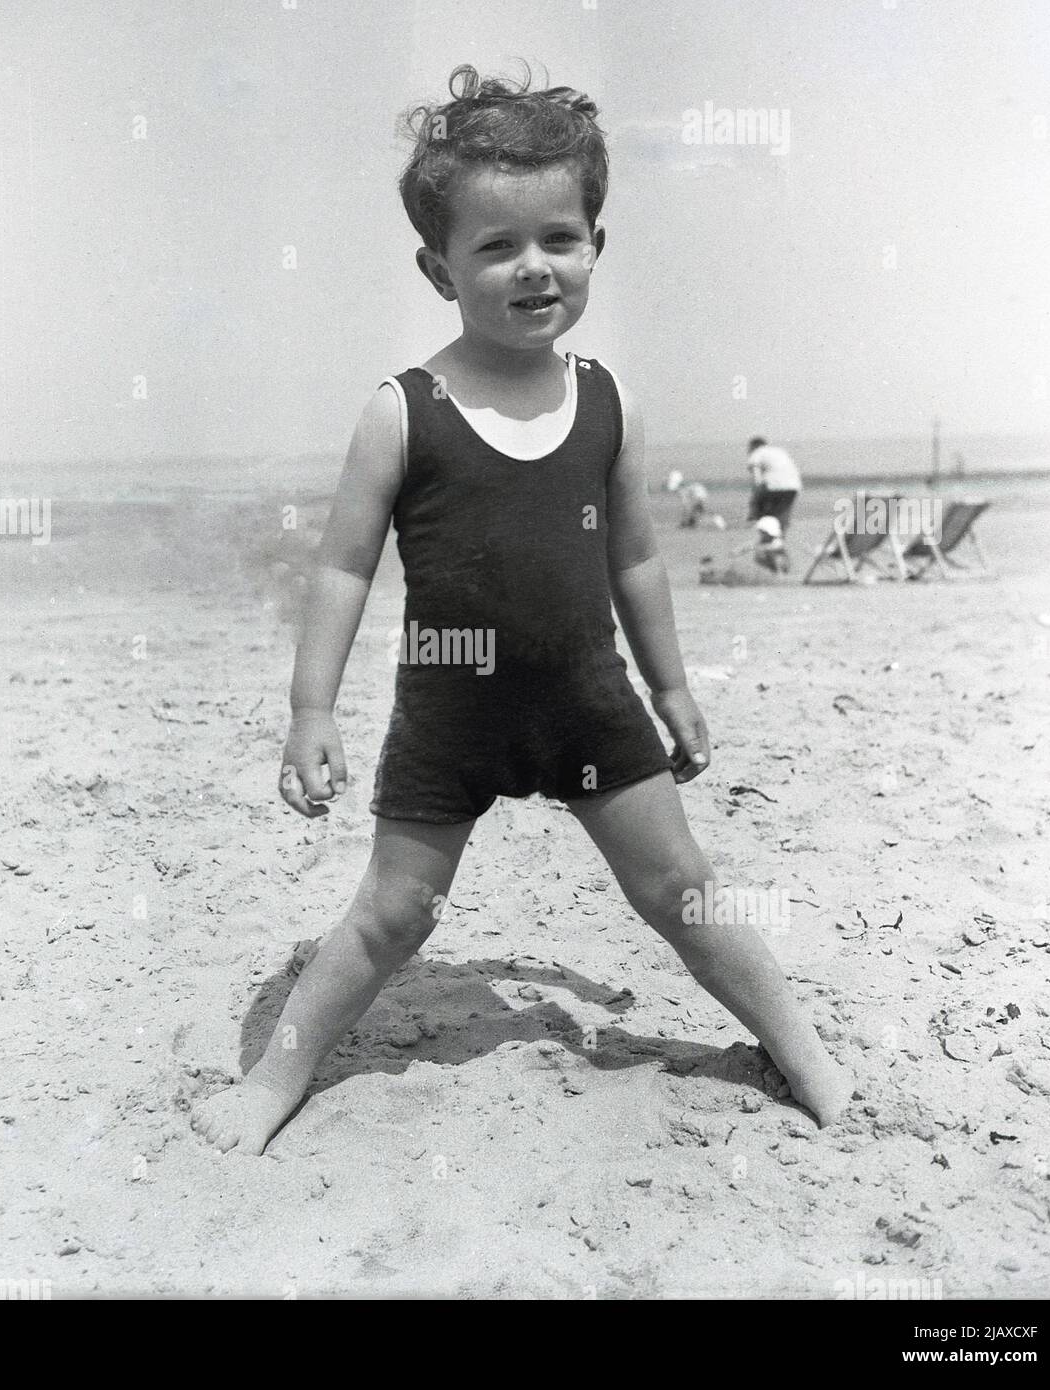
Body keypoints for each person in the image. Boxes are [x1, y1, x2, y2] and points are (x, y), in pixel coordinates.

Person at [191, 64, 851, 1157]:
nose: (531, 266)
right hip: (451, 714)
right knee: (393, 912)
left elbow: (636, 555)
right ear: (436, 267)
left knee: (680, 885)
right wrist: (311, 709)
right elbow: (341, 570)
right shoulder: (404, 410)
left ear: (597, 241)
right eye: (495, 247)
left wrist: (672, 684)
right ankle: (273, 1081)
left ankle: (803, 1051)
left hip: (588, 699)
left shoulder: (606, 400)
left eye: (559, 236)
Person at [746, 436, 801, 532]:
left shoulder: (757, 453)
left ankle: (766, 537)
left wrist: (753, 505)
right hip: (793, 486)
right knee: (782, 516)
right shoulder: (779, 451)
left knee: (765, 515)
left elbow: (757, 480)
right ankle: (779, 541)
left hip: (773, 486)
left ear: (753, 446)